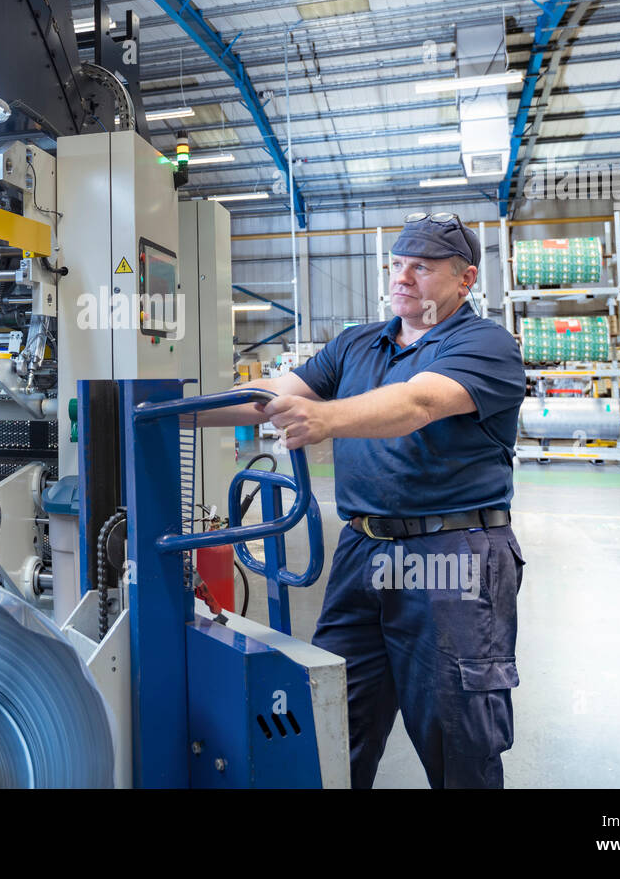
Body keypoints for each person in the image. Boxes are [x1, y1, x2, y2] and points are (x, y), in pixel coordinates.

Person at [207, 212, 526, 788]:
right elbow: (272, 395)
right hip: (362, 554)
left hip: (451, 555)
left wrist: (326, 417)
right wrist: (170, 411)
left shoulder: (485, 344)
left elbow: (419, 404)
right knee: (331, 717)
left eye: (422, 268)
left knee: (458, 733)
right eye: (397, 265)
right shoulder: (357, 342)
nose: (402, 277)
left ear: (466, 279)